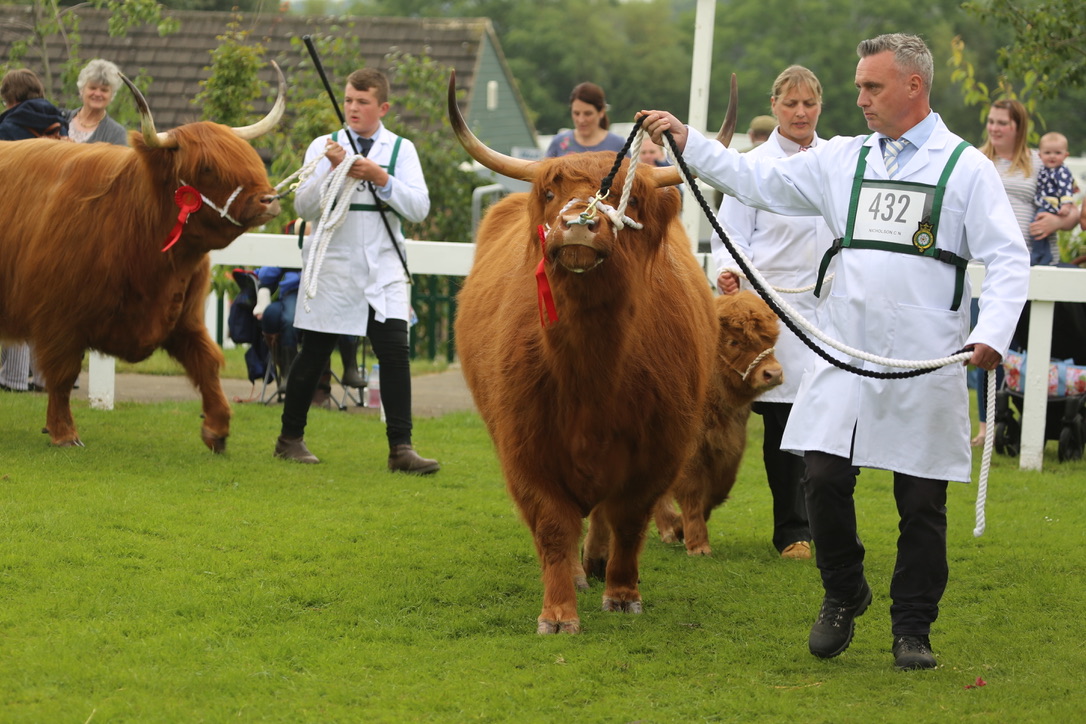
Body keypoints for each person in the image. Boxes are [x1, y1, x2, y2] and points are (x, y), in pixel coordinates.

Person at [640, 33, 1030, 671]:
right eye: (858, 87)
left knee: (923, 501)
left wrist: (993, 331)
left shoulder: (965, 168)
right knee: (821, 476)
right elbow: (757, 178)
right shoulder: (843, 159)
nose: (859, 99)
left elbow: (1010, 258)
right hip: (843, 350)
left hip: (925, 359)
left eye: (872, 87)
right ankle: (843, 591)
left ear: (914, 87)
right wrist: (690, 142)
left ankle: (912, 628)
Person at [275, 67, 439, 474]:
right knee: (314, 352)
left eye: (362, 102)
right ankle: (289, 439)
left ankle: (401, 448)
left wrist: (381, 178)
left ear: (382, 107)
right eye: (349, 100)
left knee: (395, 354)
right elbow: (304, 208)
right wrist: (334, 169)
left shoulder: (402, 150)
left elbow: (419, 208)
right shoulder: (324, 146)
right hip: (333, 264)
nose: (352, 108)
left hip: (382, 268)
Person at [713, 65, 833, 562]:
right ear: (776, 106)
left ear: (820, 106)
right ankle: (792, 531)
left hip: (829, 313)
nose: (800, 112)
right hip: (771, 312)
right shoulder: (753, 166)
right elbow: (730, 234)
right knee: (782, 426)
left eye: (808, 104)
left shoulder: (839, 161)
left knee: (827, 426)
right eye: (790, 104)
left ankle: (828, 526)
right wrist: (728, 271)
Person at [972, 100, 1081, 444]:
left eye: (1003, 122)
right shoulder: (976, 159)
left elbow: (1072, 208)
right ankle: (985, 425)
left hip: (1025, 266)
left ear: (1018, 127)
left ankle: (1022, 417)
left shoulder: (1039, 163)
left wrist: (1058, 220)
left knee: (1017, 347)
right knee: (981, 346)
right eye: (991, 121)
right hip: (981, 266)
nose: (995, 128)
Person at [0, 69, 68, 393]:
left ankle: (12, 379)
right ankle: (45, 378)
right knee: (47, 303)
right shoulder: (61, 123)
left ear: (9, 98)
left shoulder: (7, 127)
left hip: (17, 221)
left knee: (13, 297)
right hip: (55, 222)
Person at [545, 82, 626, 157]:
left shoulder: (618, 144)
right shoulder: (558, 142)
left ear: (601, 112)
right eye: (576, 113)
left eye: (588, 114)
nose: (581, 120)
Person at [1032, 131, 1076, 266]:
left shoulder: (1061, 171)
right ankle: (1045, 255)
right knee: (1044, 232)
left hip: (1053, 205)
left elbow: (1066, 188)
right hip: (1044, 203)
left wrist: (1066, 205)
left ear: (1065, 155)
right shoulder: (1044, 169)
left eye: (1057, 153)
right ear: (1040, 155)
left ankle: (1038, 253)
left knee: (1037, 227)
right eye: (1047, 153)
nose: (1052, 156)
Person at [64, 59, 128, 145]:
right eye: (92, 88)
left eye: (104, 90)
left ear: (112, 95)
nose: (98, 94)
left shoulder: (116, 133)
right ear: (81, 90)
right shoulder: (61, 119)